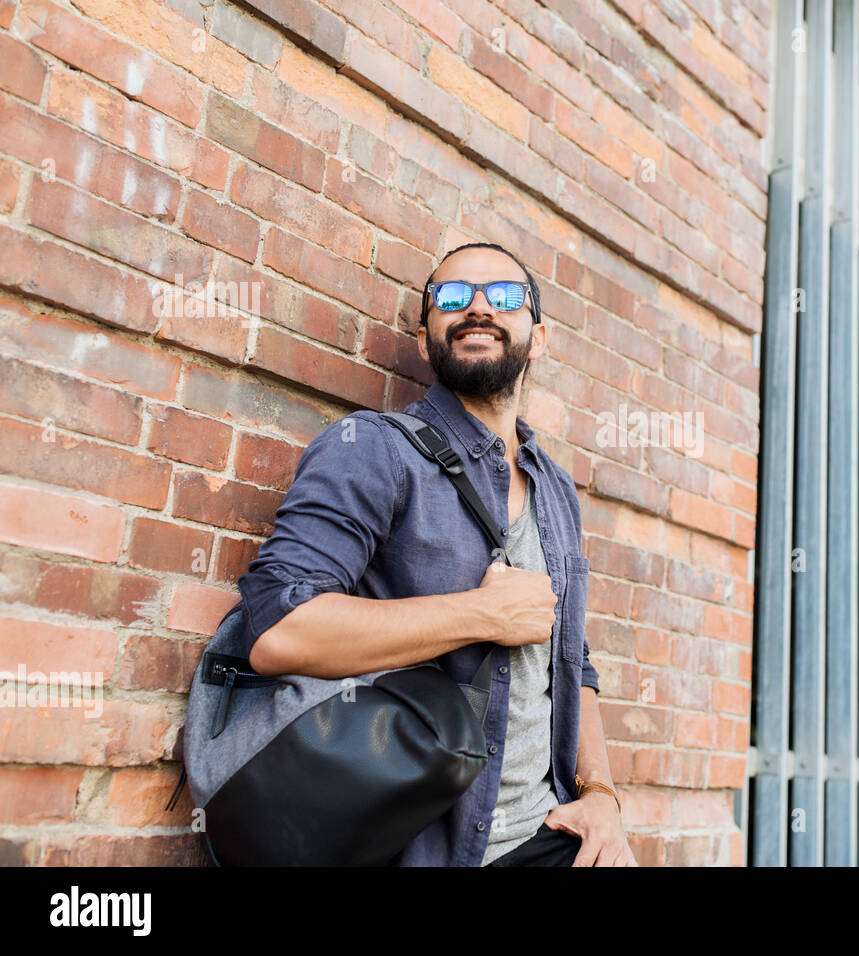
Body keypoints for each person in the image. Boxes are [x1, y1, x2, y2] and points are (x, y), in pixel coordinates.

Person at [237, 242, 636, 867]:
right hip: (420, 846)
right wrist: (481, 615)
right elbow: (281, 633)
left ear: (539, 336)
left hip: (547, 835)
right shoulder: (372, 450)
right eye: (452, 298)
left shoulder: (556, 488)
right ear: (425, 341)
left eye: (504, 296)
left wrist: (603, 797)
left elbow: (571, 658)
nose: (478, 308)